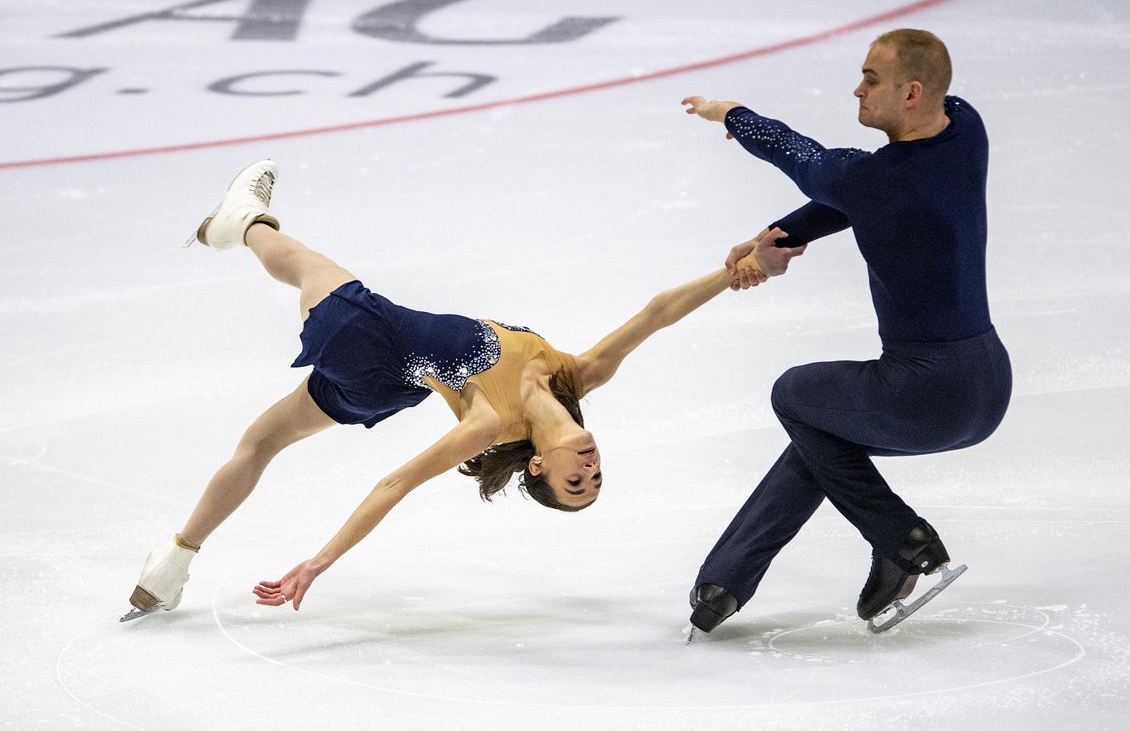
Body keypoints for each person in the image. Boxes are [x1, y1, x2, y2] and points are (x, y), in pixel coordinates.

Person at [124, 159, 747, 619]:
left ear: (537, 464)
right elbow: (659, 314)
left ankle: (245, 220)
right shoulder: (577, 375)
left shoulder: (488, 424)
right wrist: (732, 272)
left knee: (305, 265)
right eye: (597, 478)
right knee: (260, 443)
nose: (590, 468)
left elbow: (393, 484)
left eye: (574, 483)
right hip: (389, 388)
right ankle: (171, 566)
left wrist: (318, 562)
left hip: (367, 334)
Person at [680, 28, 1012, 634]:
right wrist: (777, 236)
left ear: (912, 93)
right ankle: (724, 583)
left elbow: (795, 152)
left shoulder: (873, 178)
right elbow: (862, 196)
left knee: (794, 394)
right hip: (988, 383)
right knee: (823, 435)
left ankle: (903, 539)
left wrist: (731, 113)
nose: (856, 90)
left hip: (927, 391)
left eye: (872, 80)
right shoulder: (965, 129)